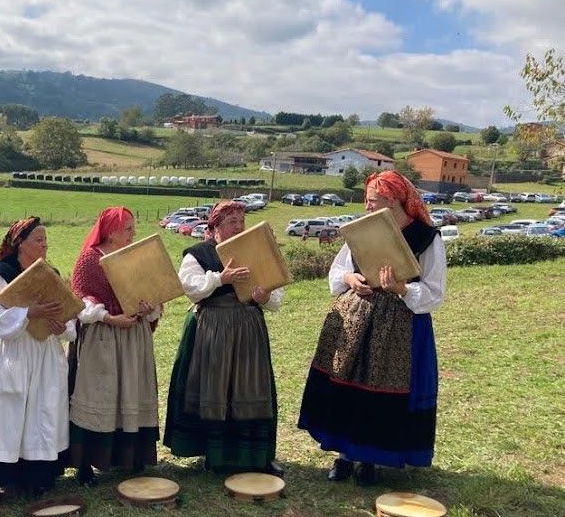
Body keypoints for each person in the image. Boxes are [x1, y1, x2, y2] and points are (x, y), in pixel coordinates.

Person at [297, 170, 446, 485]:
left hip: (400, 327)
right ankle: (345, 457)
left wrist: (402, 289)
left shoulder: (426, 237)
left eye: (372, 201)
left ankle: (372, 460)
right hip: (357, 318)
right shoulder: (364, 231)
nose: (367, 207)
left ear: (393, 200)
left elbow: (434, 293)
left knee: (380, 393)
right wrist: (351, 279)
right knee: (347, 386)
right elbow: (338, 270)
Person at [0, 217, 75, 505]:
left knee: (40, 411)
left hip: (44, 350)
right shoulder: (1, 275)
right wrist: (28, 313)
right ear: (20, 242)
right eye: (38, 239)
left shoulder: (51, 273)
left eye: (46, 239)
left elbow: (68, 312)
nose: (45, 244)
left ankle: (37, 477)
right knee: (6, 415)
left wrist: (62, 326)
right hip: (12, 350)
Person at [164, 201, 284, 475]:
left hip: (248, 329)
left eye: (241, 222)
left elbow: (275, 295)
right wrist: (221, 278)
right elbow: (190, 289)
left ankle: (257, 456)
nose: (239, 227)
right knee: (214, 389)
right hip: (213, 329)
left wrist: (264, 296)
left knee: (251, 388)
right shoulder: (199, 253)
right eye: (232, 222)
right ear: (215, 226)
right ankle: (213, 455)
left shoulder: (256, 250)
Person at [68, 207, 160, 486]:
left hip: (134, 336)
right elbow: (81, 301)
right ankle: (86, 464)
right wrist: (109, 317)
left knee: (132, 391)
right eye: (128, 229)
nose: (134, 233)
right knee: (99, 395)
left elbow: (152, 292)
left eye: (134, 227)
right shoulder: (90, 260)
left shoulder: (135, 258)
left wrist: (148, 307)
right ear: (110, 231)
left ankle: (130, 457)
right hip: (104, 337)